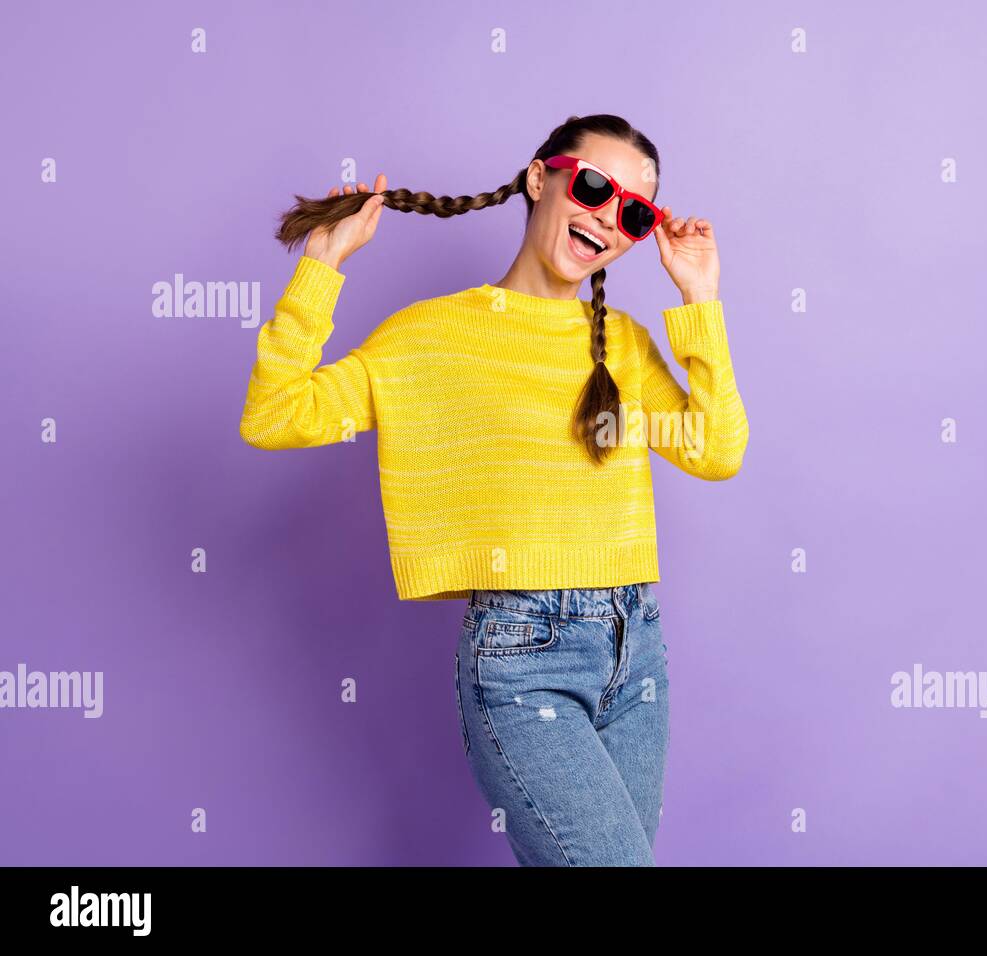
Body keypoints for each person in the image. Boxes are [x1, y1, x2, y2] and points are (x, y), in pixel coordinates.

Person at [239, 114, 749, 865]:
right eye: (596, 187)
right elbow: (275, 415)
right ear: (541, 178)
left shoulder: (627, 347)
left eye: (633, 213)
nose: (608, 217)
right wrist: (322, 266)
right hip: (523, 658)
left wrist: (701, 298)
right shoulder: (431, 336)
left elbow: (716, 450)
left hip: (635, 654)